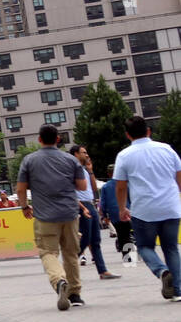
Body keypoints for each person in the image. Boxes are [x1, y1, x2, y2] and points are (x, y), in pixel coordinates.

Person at [16, 124, 88, 310]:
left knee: (48, 252)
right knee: (71, 253)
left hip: (44, 216)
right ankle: (75, 294)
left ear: (39, 139)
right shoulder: (71, 160)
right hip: (70, 214)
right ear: (58, 139)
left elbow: (20, 189)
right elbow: (82, 186)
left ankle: (59, 281)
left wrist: (24, 206)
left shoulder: (29, 161)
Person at [112, 115, 181, 302]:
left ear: (128, 135)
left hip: (144, 209)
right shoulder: (167, 149)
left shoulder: (124, 155)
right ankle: (178, 290)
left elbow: (120, 186)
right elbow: (179, 176)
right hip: (171, 206)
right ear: (149, 131)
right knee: (171, 248)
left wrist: (122, 208)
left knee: (143, 246)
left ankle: (162, 271)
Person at [70, 144, 119, 281]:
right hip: (82, 205)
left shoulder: (83, 169)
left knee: (95, 240)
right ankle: (69, 264)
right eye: (83, 152)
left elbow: (92, 188)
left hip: (89, 203)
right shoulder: (72, 168)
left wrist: (90, 171)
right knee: (86, 238)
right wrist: (81, 206)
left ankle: (103, 270)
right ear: (75, 154)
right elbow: (69, 190)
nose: (87, 155)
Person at [100, 163, 134, 262]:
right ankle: (127, 254)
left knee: (120, 233)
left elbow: (103, 203)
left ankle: (125, 254)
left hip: (114, 213)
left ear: (108, 174)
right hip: (126, 210)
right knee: (127, 233)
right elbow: (131, 197)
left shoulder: (105, 187)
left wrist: (104, 215)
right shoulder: (125, 184)